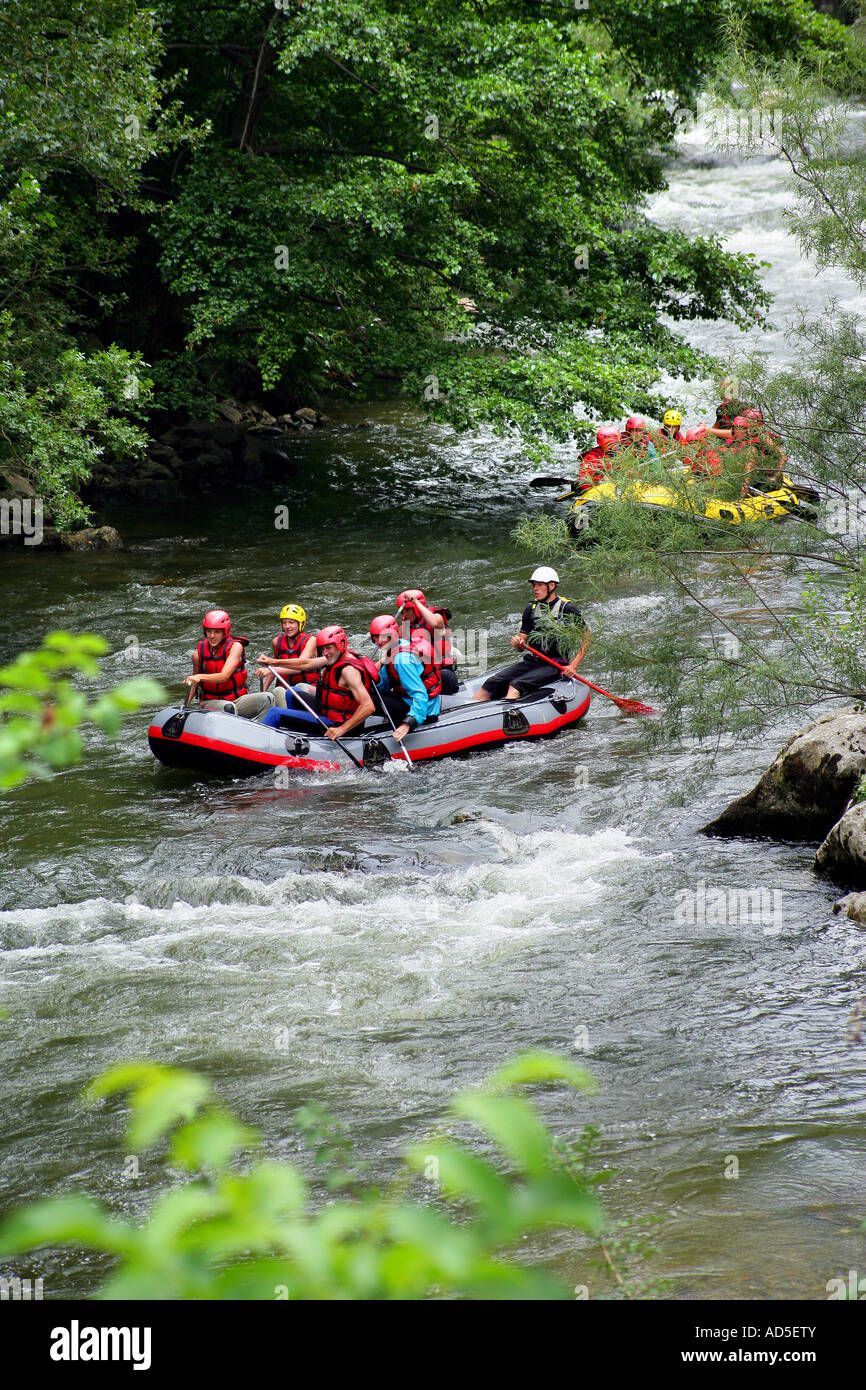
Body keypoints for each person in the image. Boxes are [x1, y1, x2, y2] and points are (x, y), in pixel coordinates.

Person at [472, 567, 590, 702]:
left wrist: (573, 666)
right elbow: (522, 642)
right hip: (533, 661)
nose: (535, 588)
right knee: (492, 682)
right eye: (534, 585)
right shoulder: (531, 609)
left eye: (539, 585)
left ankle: (509, 718)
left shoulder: (568, 609)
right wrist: (517, 643)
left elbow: (587, 638)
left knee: (515, 685)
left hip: (555, 665)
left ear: (551, 586)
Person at [185, 609, 271, 718]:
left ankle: (259, 732)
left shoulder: (235, 647)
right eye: (209, 631)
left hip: (237, 699)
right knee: (228, 707)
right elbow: (194, 684)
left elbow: (224, 676)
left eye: (217, 632)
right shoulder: (197, 655)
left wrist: (198, 676)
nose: (212, 636)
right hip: (211, 702)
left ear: (225, 631)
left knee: (267, 699)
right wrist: (185, 706)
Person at [369, 614, 441, 742]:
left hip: (426, 711)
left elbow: (420, 695)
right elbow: (385, 685)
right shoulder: (398, 646)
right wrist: (374, 677)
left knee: (368, 701)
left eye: (382, 636)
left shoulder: (402, 660)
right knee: (369, 693)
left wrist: (407, 724)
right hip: (409, 699)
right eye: (375, 637)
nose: (378, 641)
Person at [313, 626, 377, 740]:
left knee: (275, 713)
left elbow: (368, 707)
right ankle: (302, 736)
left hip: (338, 723)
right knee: (291, 694)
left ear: (341, 645)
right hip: (328, 714)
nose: (324, 653)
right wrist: (273, 662)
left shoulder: (348, 671)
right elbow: (305, 663)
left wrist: (342, 729)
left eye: (328, 648)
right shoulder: (335, 658)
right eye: (322, 649)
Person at [395, 589, 459, 695]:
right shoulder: (403, 629)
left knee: (445, 677)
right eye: (402, 611)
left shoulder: (437, 618)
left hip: (443, 671)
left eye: (407, 610)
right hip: (423, 676)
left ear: (417, 608)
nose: (404, 615)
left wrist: (415, 601)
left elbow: (434, 624)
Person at [258, 603, 318, 705]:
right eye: (284, 623)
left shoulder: (311, 641)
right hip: (284, 689)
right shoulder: (276, 642)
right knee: (277, 691)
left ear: (301, 623)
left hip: (306, 689)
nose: (287, 626)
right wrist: (263, 691)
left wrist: (270, 669)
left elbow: (300, 665)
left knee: (298, 687)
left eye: (291, 623)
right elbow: (273, 668)